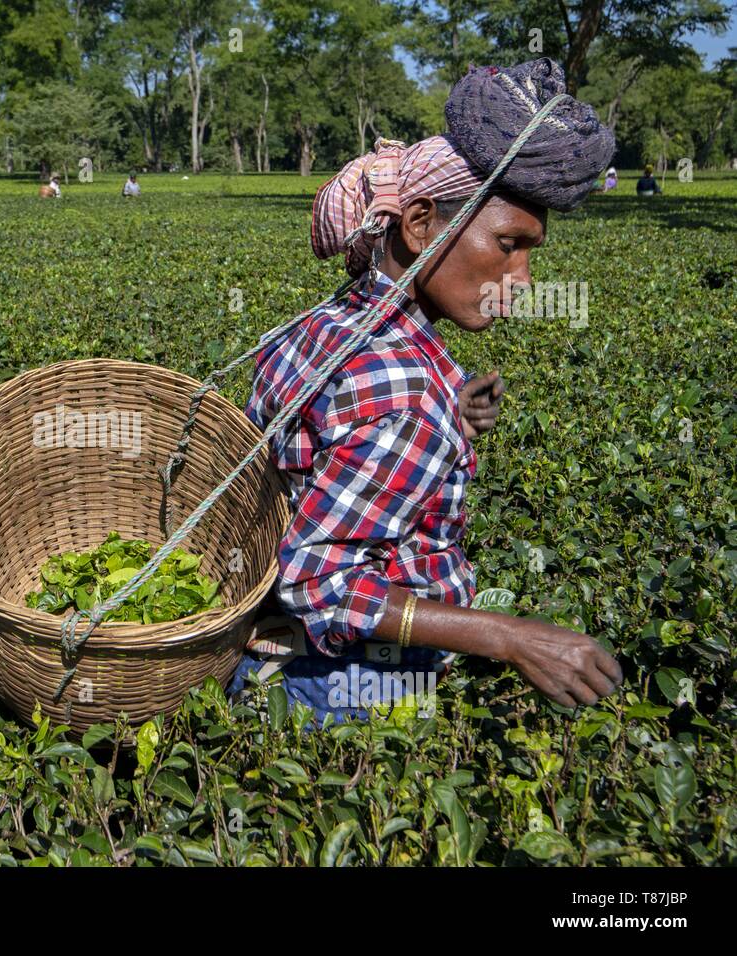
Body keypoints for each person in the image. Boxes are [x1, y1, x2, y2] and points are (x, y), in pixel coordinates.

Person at [226, 58, 623, 726]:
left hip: (271, 649)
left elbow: (323, 454)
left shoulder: (321, 324)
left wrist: (450, 415)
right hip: (347, 683)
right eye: (508, 244)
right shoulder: (406, 397)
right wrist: (510, 638)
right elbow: (320, 581)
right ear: (418, 224)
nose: (522, 278)